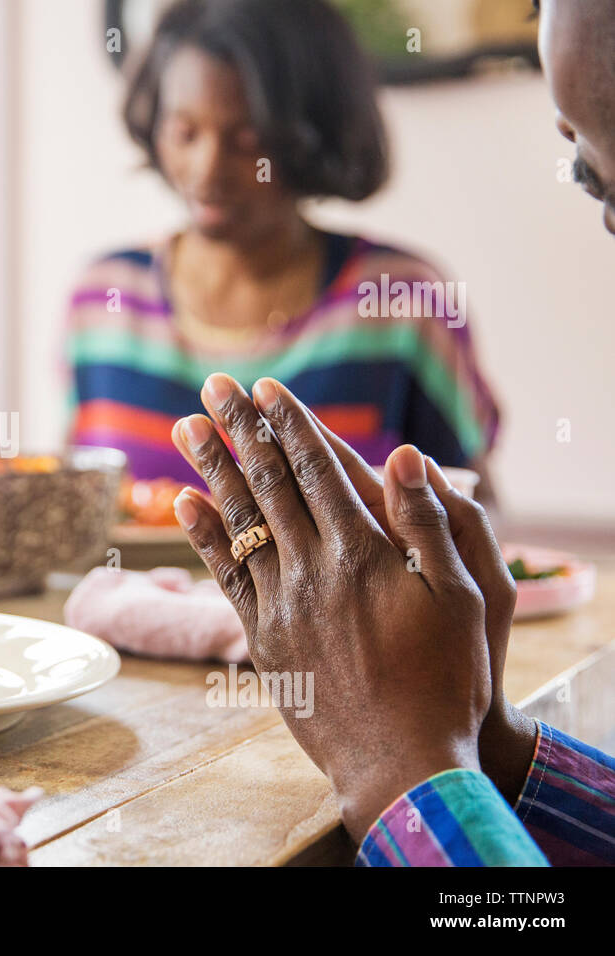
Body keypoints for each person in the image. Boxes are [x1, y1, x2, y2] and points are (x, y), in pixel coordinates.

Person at [166, 0, 615, 865]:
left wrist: (398, 768)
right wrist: (491, 755)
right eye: (591, 176)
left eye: (599, 173)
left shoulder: (399, 294)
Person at [67, 0, 500, 490]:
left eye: (248, 140)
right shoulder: (102, 298)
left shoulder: (401, 300)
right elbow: (78, 511)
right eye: (184, 132)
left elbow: (473, 513)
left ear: (312, 135)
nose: (207, 170)